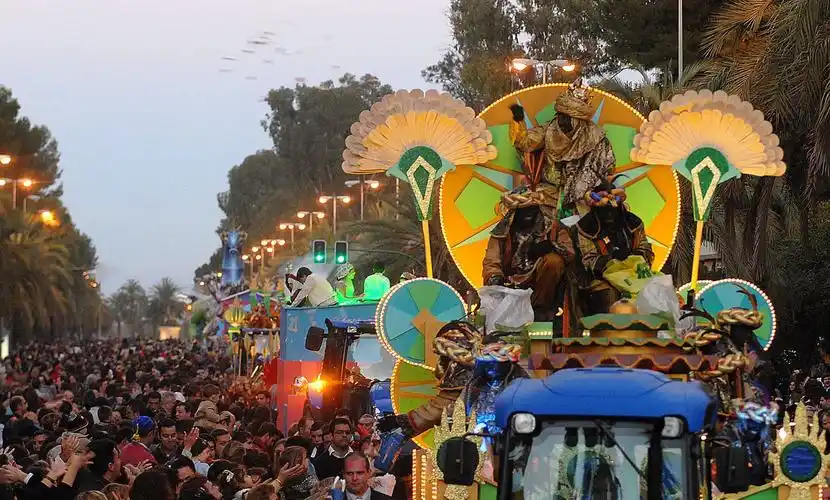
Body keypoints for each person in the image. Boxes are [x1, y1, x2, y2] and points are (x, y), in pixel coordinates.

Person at [575, 180, 653, 313]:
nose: (610, 213)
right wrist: (610, 259)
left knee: (656, 288)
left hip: (634, 274)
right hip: (600, 279)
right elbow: (588, 260)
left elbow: (646, 250)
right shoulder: (586, 227)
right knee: (611, 294)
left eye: (613, 209)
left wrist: (631, 258)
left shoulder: (634, 223)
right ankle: (610, 330)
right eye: (605, 209)